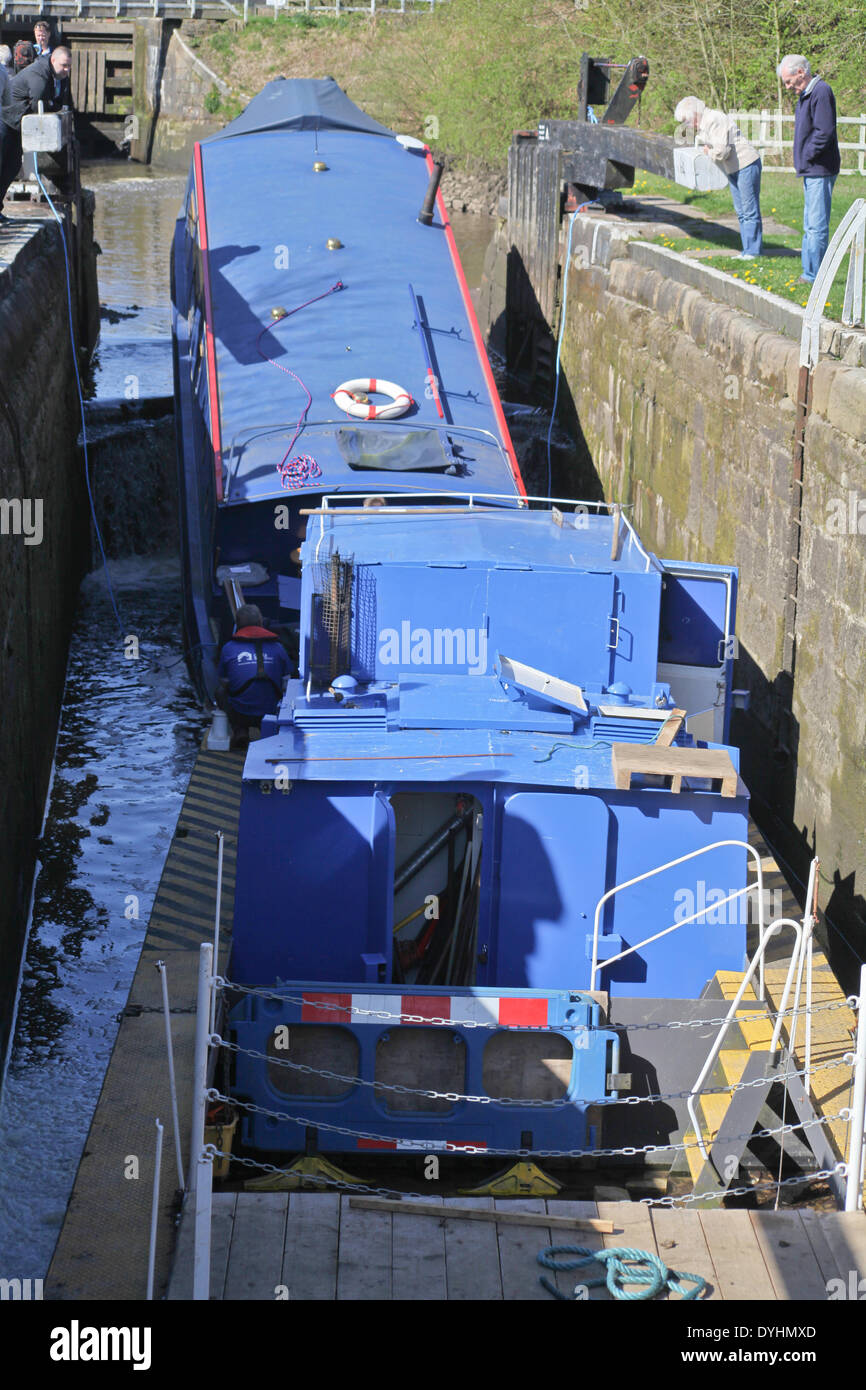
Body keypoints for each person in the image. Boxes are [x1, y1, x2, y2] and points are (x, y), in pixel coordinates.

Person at [777, 55, 840, 284]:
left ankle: (815, 276)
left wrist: (806, 156)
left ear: (801, 73)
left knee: (816, 226)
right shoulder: (805, 95)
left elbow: (824, 132)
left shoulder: (820, 92)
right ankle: (809, 272)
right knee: (809, 224)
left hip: (819, 168)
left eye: (788, 81)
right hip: (811, 169)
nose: (787, 86)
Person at [675, 96, 763, 259]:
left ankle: (753, 252)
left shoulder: (714, 119)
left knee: (749, 210)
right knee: (741, 211)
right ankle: (747, 251)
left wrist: (709, 152)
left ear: (694, 114)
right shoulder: (704, 125)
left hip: (746, 164)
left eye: (686, 120)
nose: (687, 125)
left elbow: (722, 151)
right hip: (733, 168)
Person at [0, 45, 71, 223]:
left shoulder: (55, 76)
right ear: (53, 60)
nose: (67, 70)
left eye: (69, 66)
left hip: (17, 125)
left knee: (13, 166)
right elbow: (38, 103)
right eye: (64, 65)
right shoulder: (39, 73)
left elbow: (55, 102)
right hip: (5, 122)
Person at [217, 604, 292, 739]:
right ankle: (270, 730)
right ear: (260, 622)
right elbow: (288, 681)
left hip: (240, 712)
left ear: (238, 625)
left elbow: (223, 680)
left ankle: (240, 730)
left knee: (220, 692)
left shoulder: (228, 648)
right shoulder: (278, 648)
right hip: (270, 711)